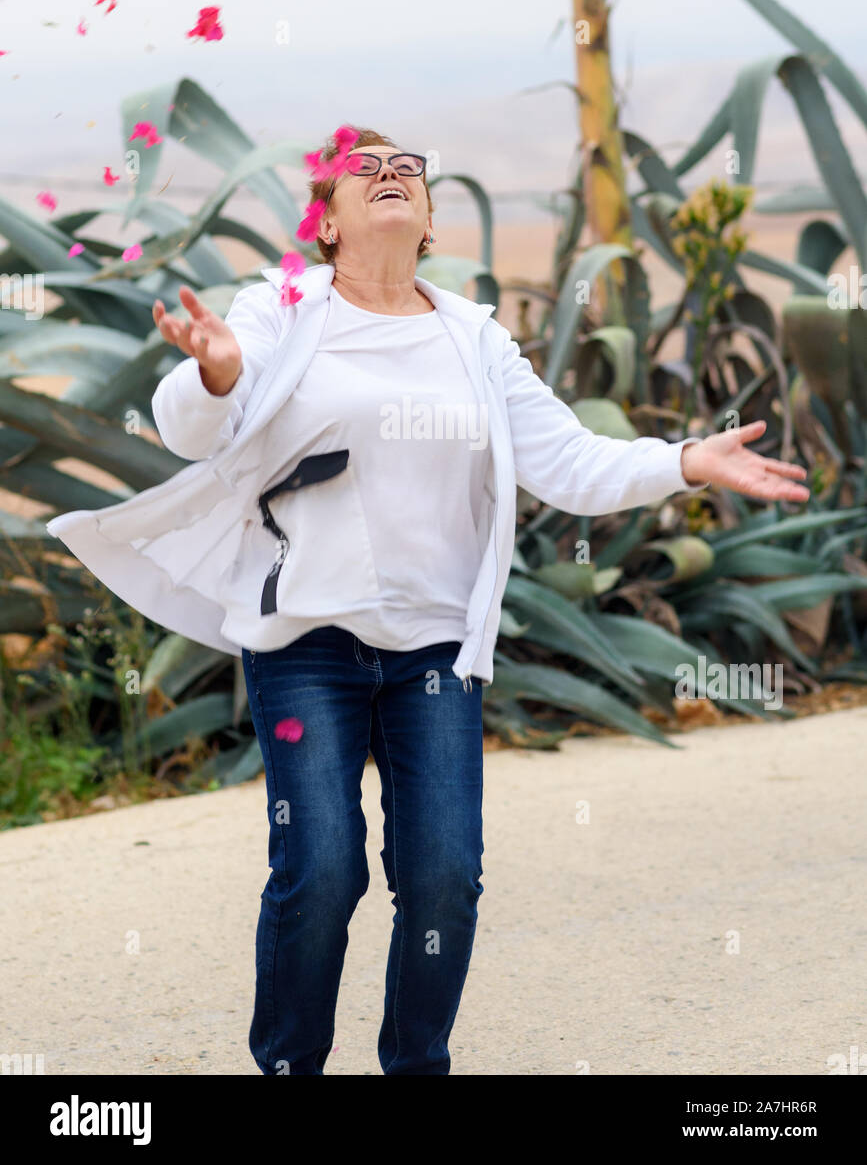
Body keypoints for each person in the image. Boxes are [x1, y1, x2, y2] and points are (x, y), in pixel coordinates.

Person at [48, 127, 809, 1076]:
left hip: (437, 651)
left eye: (408, 166)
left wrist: (686, 460)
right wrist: (214, 370)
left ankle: (417, 1068)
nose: (390, 173)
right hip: (307, 643)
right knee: (321, 871)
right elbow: (192, 424)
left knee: (444, 880)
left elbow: (568, 460)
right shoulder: (281, 312)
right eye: (362, 168)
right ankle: (289, 1067)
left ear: (428, 215)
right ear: (325, 222)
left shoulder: (473, 337)